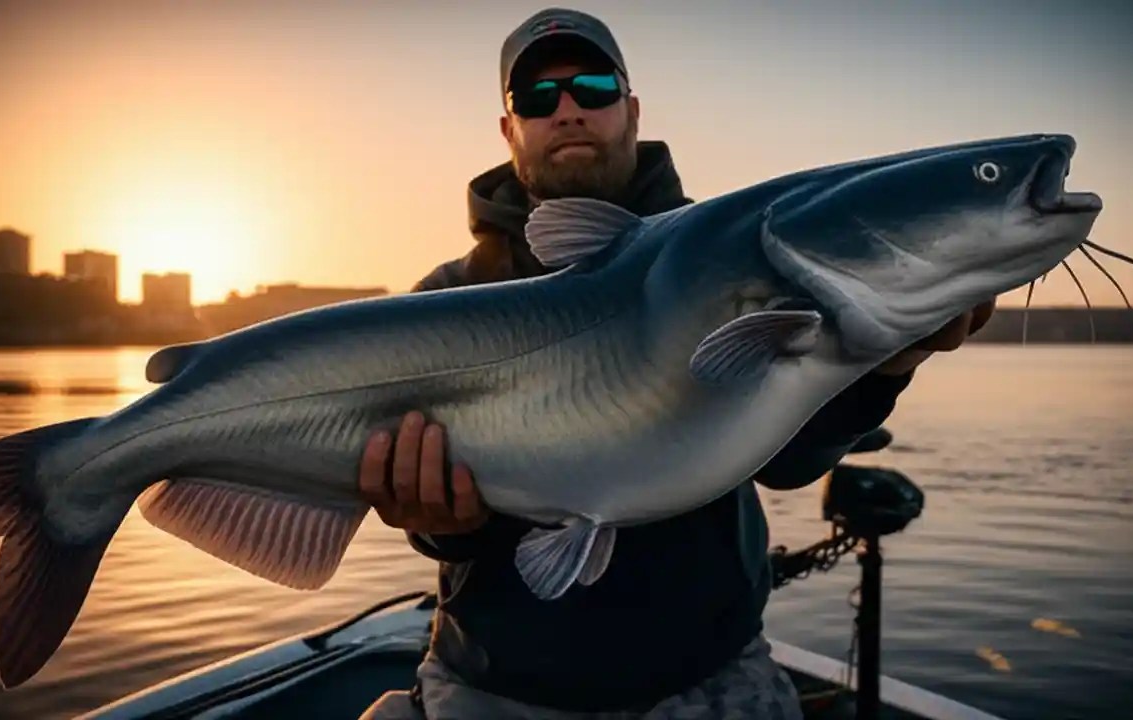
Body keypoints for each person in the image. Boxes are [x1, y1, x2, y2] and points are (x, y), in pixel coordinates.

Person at [357, 8, 995, 719]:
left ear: (630, 111)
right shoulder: (447, 304)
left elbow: (787, 459)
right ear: (509, 130)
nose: (567, 110)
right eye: (537, 99)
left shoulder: (733, 251)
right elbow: (426, 516)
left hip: (709, 675)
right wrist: (441, 519)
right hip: (498, 685)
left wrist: (880, 367)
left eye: (592, 87)